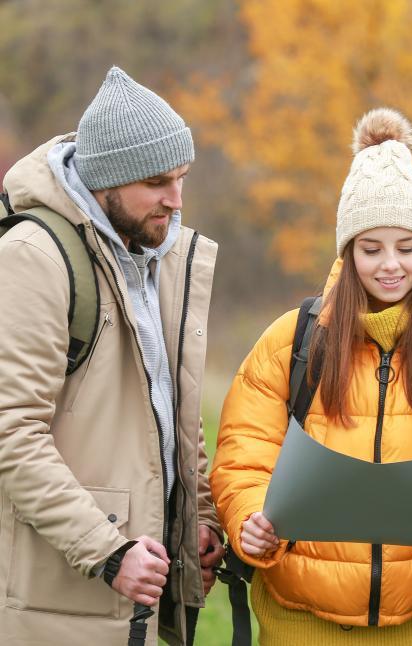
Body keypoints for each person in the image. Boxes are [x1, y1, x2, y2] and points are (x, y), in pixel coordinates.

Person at [211, 107, 412, 646]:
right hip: (301, 622)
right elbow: (244, 453)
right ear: (347, 250)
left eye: (406, 248)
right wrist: (249, 521)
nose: (390, 265)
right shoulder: (293, 342)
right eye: (371, 248)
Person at [0, 67, 222, 645]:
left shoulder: (155, 256)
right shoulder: (32, 257)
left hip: (133, 597)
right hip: (56, 599)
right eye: (156, 183)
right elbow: (11, 433)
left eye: (182, 179)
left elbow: (170, 405)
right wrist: (107, 549)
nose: (175, 201)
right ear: (106, 181)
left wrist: (196, 518)